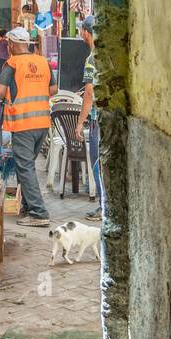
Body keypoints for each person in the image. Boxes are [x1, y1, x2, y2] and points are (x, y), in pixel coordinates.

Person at [0, 26, 56, 226]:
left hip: (22, 123)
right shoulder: (42, 61)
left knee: (25, 167)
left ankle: (39, 213)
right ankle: (28, 206)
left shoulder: (12, 63)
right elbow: (53, 89)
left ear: (12, 44)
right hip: (42, 123)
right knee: (27, 165)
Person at [74, 14, 102, 222]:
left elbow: (90, 93)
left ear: (85, 32)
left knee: (97, 163)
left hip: (97, 120)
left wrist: (80, 122)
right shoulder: (103, 55)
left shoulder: (91, 59)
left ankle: (103, 206)